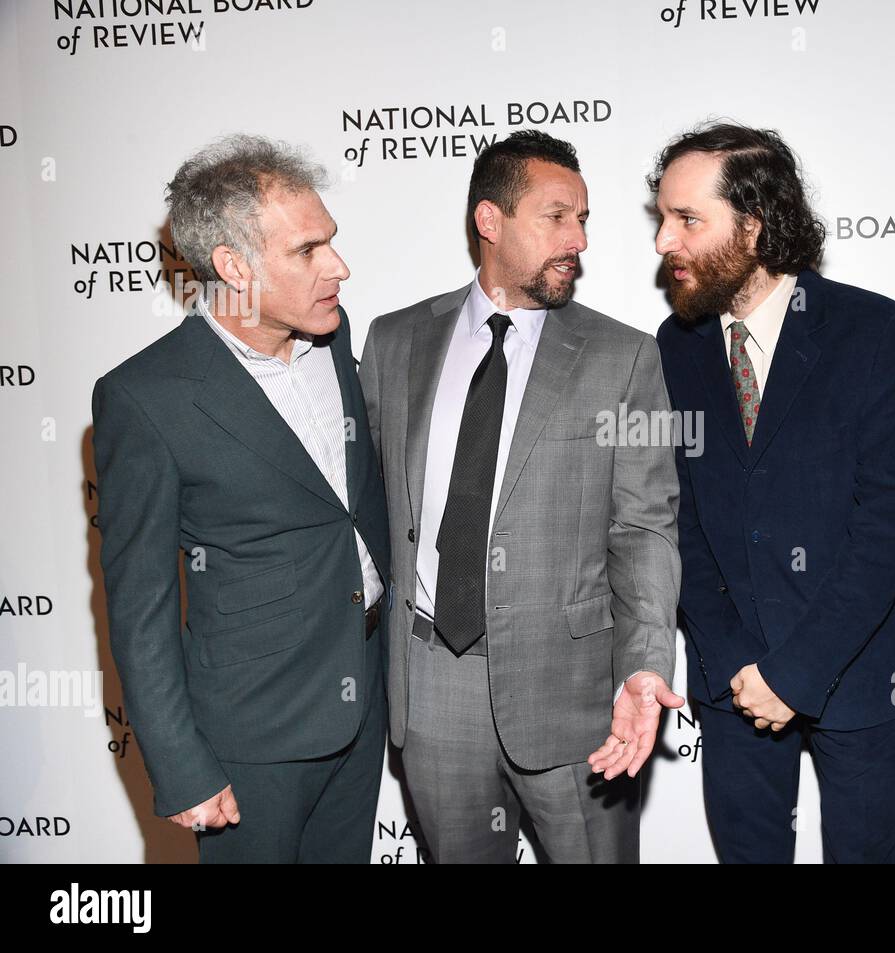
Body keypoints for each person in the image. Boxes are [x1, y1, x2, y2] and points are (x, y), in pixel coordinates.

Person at [359, 130, 681, 863]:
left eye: (585, 219)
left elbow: (644, 529)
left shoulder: (623, 356)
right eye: (556, 216)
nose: (579, 239)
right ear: (489, 221)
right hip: (433, 689)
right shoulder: (395, 341)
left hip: (574, 694)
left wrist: (645, 662)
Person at [92, 134, 390, 863]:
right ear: (233, 267)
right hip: (252, 736)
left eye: (333, 243)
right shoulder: (146, 397)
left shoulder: (333, 330)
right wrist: (181, 765)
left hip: (364, 699)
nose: (339, 268)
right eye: (308, 251)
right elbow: (140, 603)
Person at [651, 123, 895, 863]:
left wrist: (796, 671)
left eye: (687, 220)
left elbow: (889, 525)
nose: (663, 242)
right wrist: (740, 662)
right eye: (661, 218)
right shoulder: (673, 349)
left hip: (864, 673)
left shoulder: (875, 332)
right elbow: (679, 521)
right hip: (732, 677)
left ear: (754, 223)